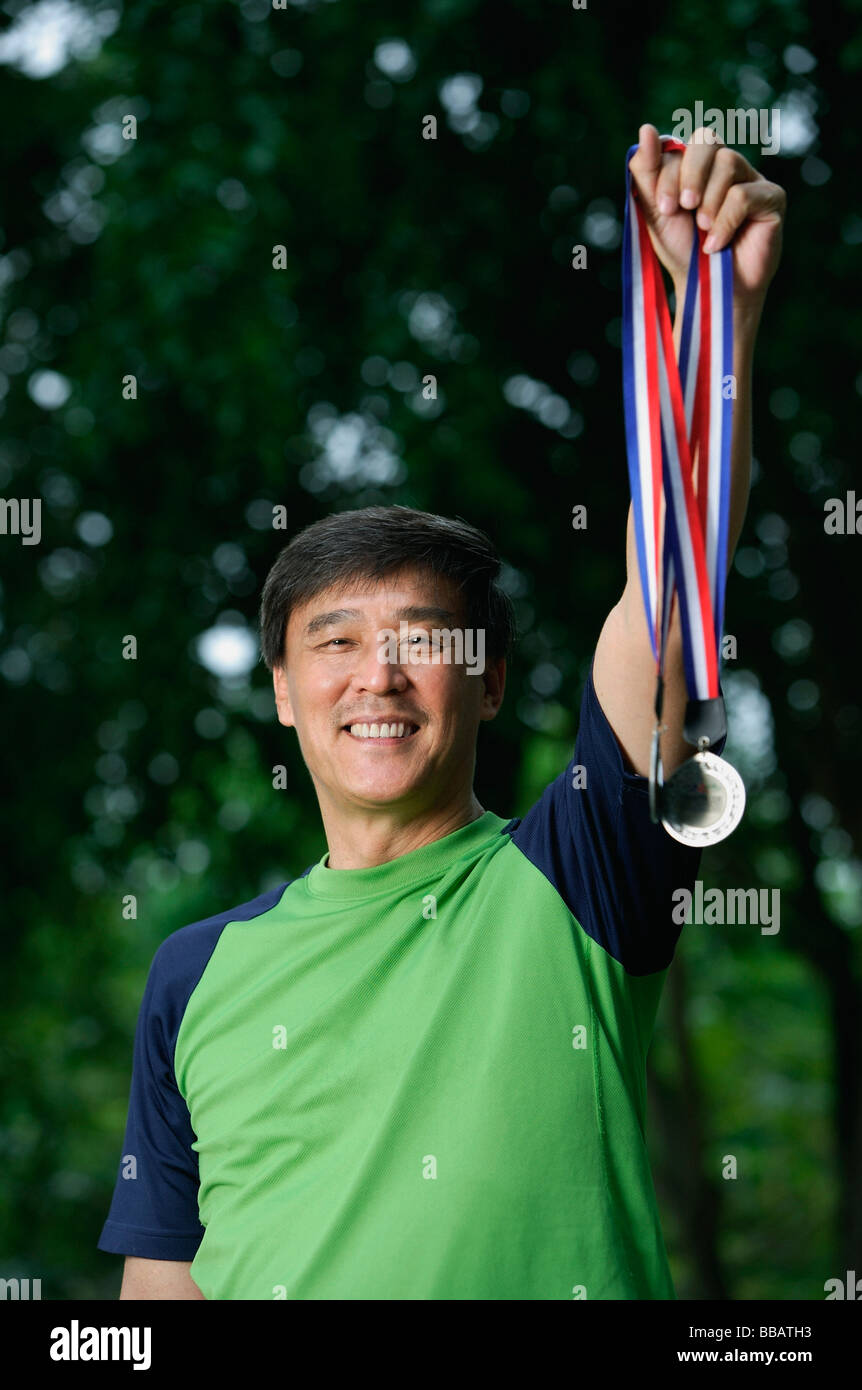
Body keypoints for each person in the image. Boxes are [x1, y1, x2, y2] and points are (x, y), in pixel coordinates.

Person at [97, 125, 785, 1299]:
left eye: (422, 641)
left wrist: (711, 315)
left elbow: (666, 602)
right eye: (336, 643)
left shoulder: (579, 873)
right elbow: (165, 1291)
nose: (378, 675)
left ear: (490, 678)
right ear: (281, 688)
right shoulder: (193, 972)